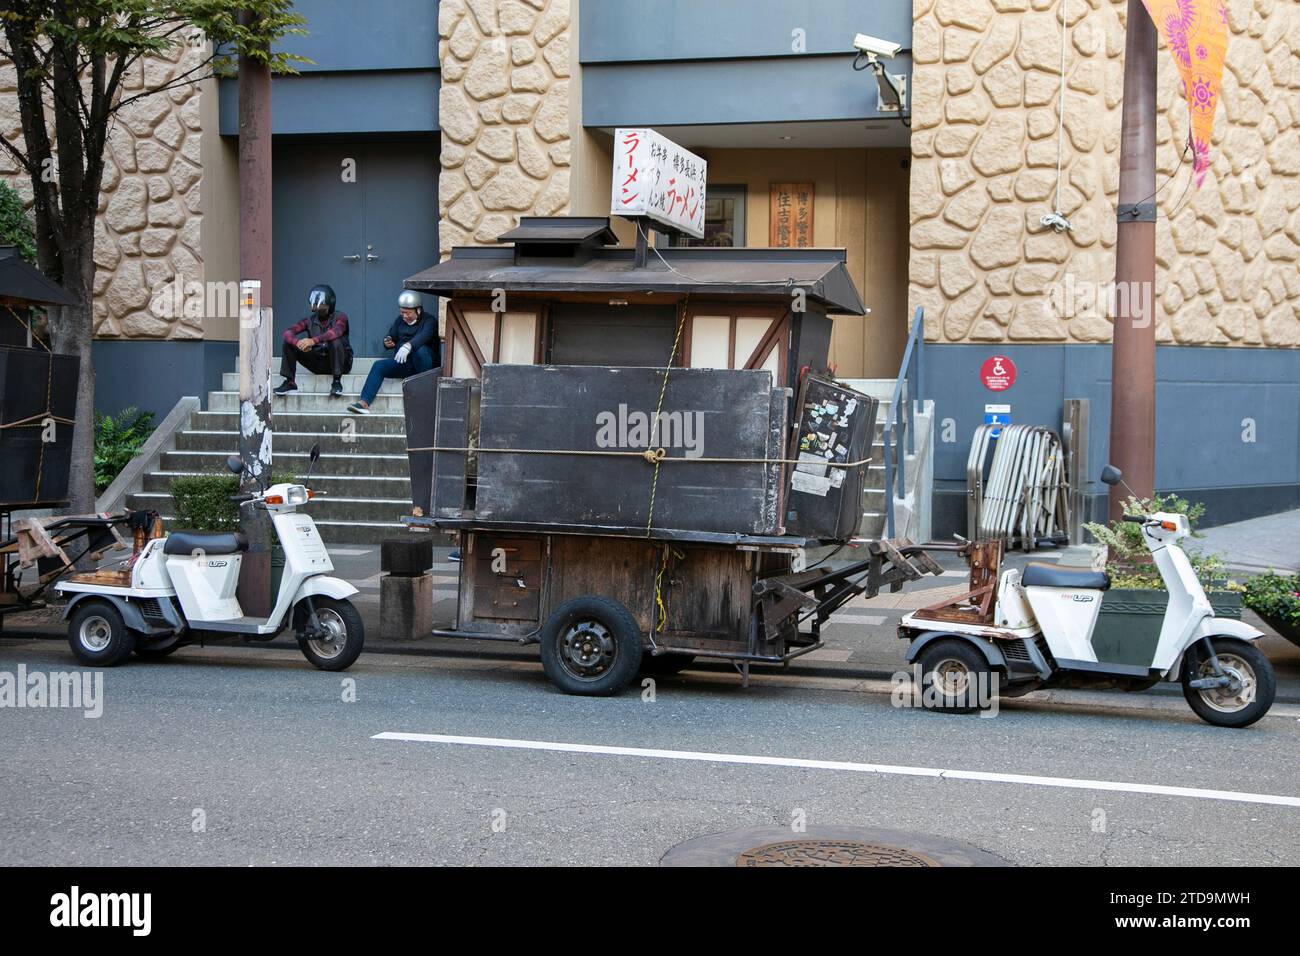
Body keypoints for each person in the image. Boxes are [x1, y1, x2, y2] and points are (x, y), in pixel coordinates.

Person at [347, 290, 440, 415]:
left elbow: (424, 336)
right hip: (405, 364)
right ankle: (364, 403)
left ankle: (424, 398)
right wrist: (387, 341)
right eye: (402, 312)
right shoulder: (400, 321)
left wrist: (408, 346)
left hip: (424, 367)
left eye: (408, 313)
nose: (404, 316)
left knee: (421, 351)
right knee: (379, 366)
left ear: (418, 310)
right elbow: (392, 335)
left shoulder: (429, 321)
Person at [275, 284, 352, 398]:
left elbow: (336, 332)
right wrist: (299, 343)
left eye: (323, 306)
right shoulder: (309, 320)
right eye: (316, 306)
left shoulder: (341, 317)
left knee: (335, 341)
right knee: (288, 343)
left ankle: (336, 382)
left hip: (340, 364)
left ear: (330, 305)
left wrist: (312, 341)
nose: (319, 309)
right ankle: (290, 382)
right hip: (318, 362)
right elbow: (288, 332)